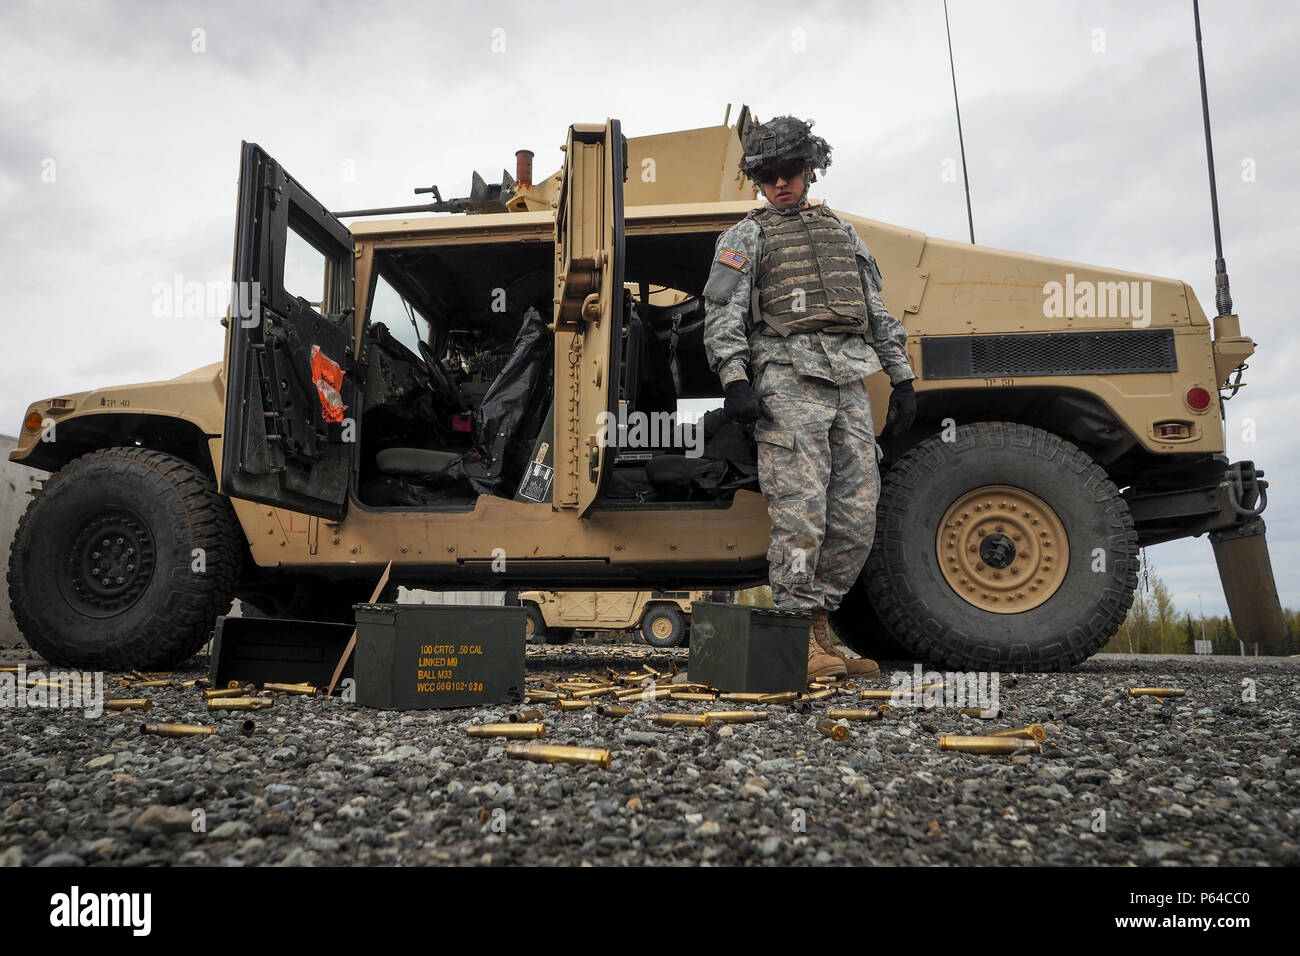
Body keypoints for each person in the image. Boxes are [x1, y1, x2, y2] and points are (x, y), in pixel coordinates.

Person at [702, 115, 917, 681]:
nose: (781, 184)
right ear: (757, 180)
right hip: (786, 378)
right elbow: (721, 313)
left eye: (790, 172)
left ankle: (820, 627)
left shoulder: (842, 234)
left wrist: (901, 377)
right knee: (802, 510)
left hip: (848, 379)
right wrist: (736, 381)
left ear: (810, 169)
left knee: (857, 510)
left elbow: (874, 309)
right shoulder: (745, 236)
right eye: (769, 175)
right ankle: (797, 635)